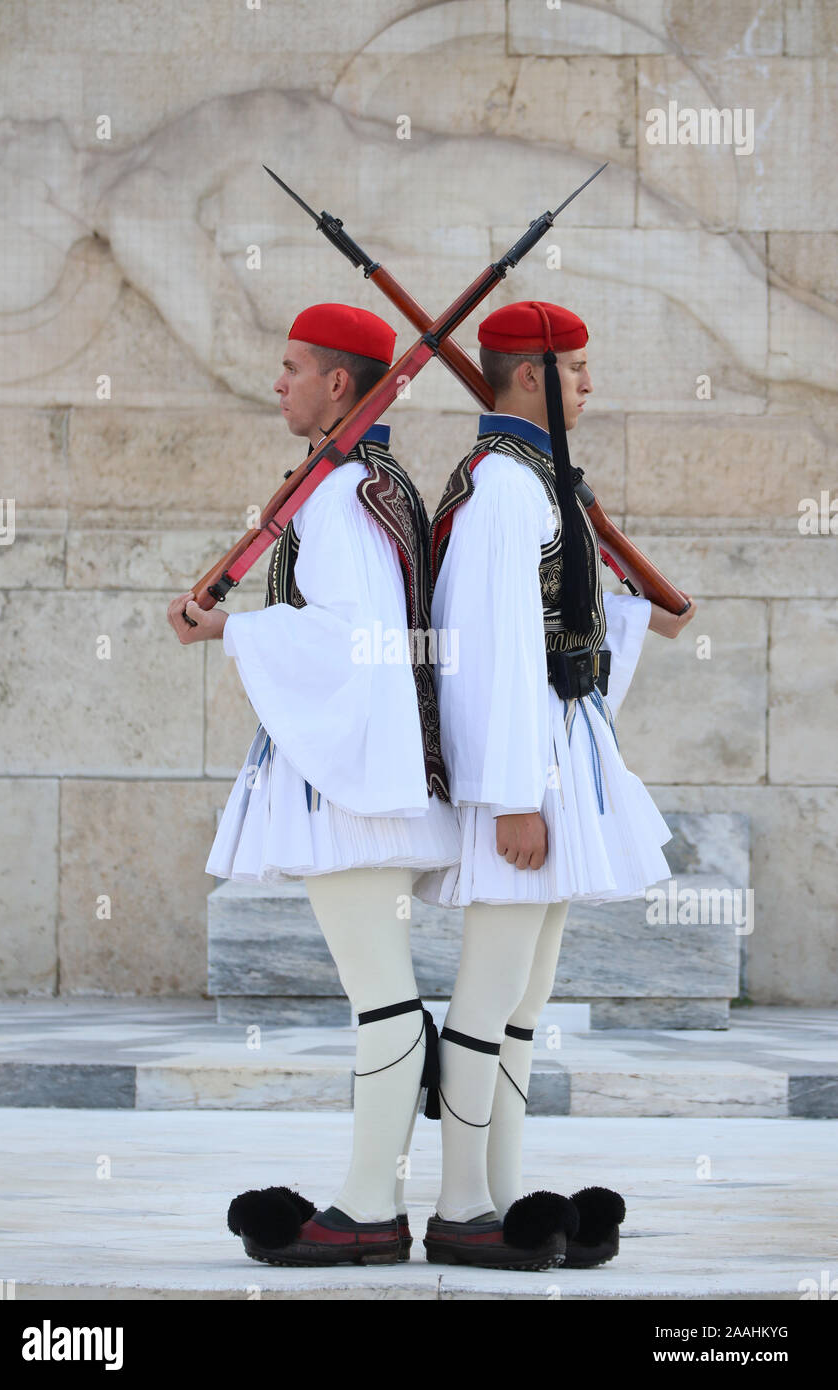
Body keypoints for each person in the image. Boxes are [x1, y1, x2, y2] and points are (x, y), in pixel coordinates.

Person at [167, 302, 460, 1267]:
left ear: (341, 383)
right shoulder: (362, 483)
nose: (278, 382)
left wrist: (232, 629)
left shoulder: (344, 495)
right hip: (365, 780)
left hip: (357, 790)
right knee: (385, 999)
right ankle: (385, 1204)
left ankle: (370, 1212)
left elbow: (355, 642)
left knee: (381, 1001)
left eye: (293, 367)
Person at [414, 300, 697, 1271]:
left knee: (526, 993)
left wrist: (631, 617)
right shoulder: (501, 487)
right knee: (488, 989)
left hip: (552, 752)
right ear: (529, 376)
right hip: (524, 766)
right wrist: (511, 796)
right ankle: (457, 1206)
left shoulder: (536, 479)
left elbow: (553, 618)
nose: (588, 386)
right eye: (575, 370)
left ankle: (502, 1193)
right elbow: (487, 651)